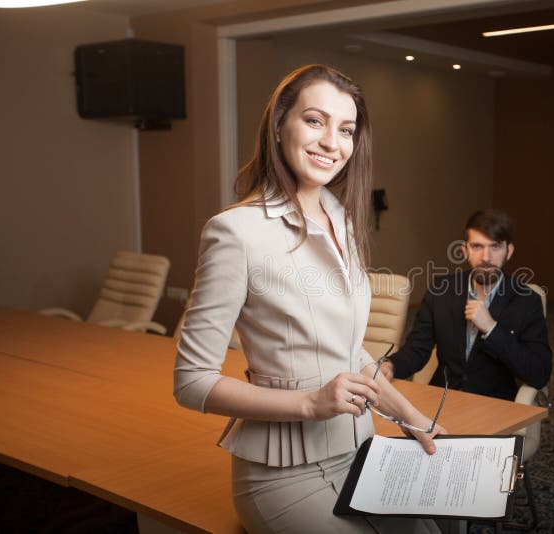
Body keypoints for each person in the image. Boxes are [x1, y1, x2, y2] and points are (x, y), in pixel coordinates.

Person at [173, 64, 443, 534]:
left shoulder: (342, 218)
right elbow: (191, 382)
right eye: (315, 121)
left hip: (358, 450)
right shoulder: (235, 232)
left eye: (346, 130)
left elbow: (348, 353)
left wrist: (410, 417)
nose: (331, 143)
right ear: (279, 125)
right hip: (281, 476)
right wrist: (311, 404)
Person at [380, 209, 552, 401]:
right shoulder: (441, 290)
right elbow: (417, 349)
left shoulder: (527, 300)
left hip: (493, 405)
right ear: (465, 250)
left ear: (509, 251)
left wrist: (492, 329)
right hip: (441, 399)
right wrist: (391, 365)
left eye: (495, 247)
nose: (486, 257)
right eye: (477, 246)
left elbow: (539, 372)